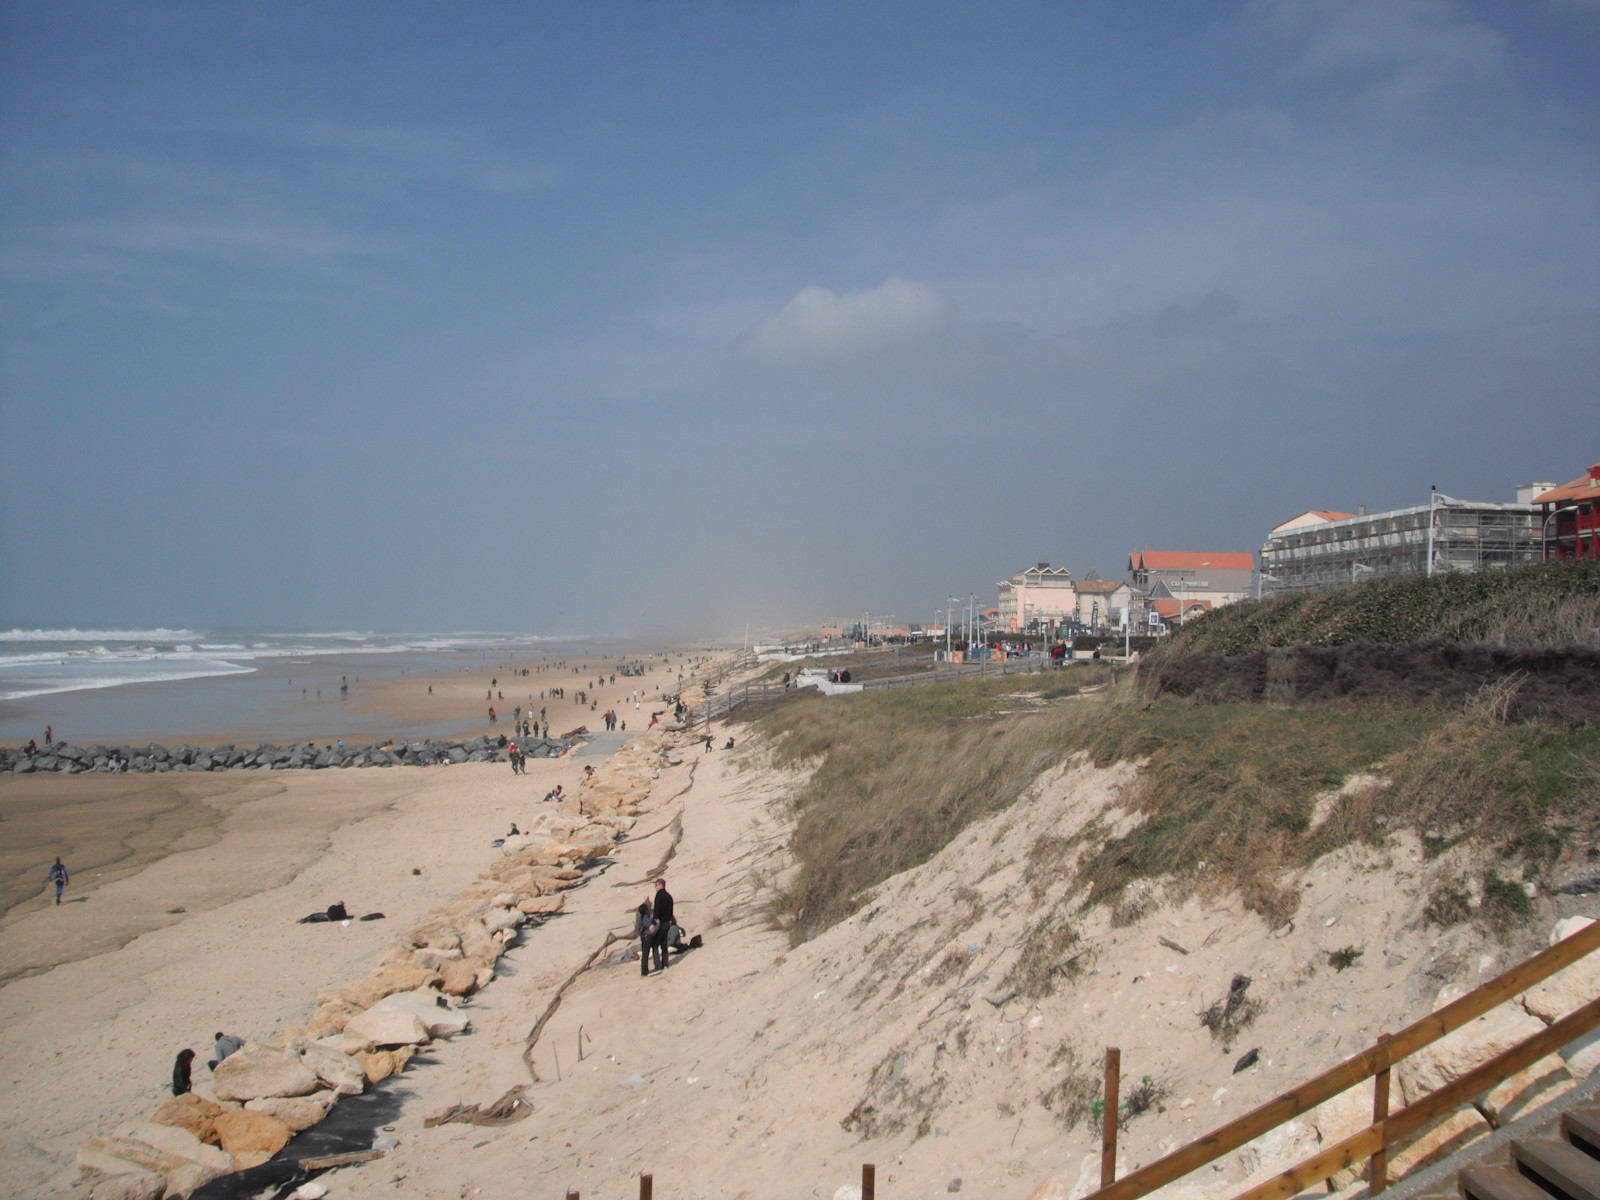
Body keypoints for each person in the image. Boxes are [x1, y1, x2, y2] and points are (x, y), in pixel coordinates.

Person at [650, 878, 674, 973]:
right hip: (667, 922)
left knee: (655, 945)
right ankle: (665, 964)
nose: (655, 887)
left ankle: (657, 965)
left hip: (660, 923)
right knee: (664, 944)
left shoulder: (659, 896)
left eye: (656, 885)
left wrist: (654, 922)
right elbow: (671, 911)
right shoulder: (669, 896)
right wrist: (670, 919)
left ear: (661, 885)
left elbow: (656, 910)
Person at [635, 901, 657, 977]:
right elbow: (650, 926)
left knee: (645, 954)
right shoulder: (646, 919)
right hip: (647, 937)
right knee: (646, 954)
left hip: (643, 937)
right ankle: (644, 971)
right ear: (646, 911)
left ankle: (644, 971)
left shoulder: (641, 919)